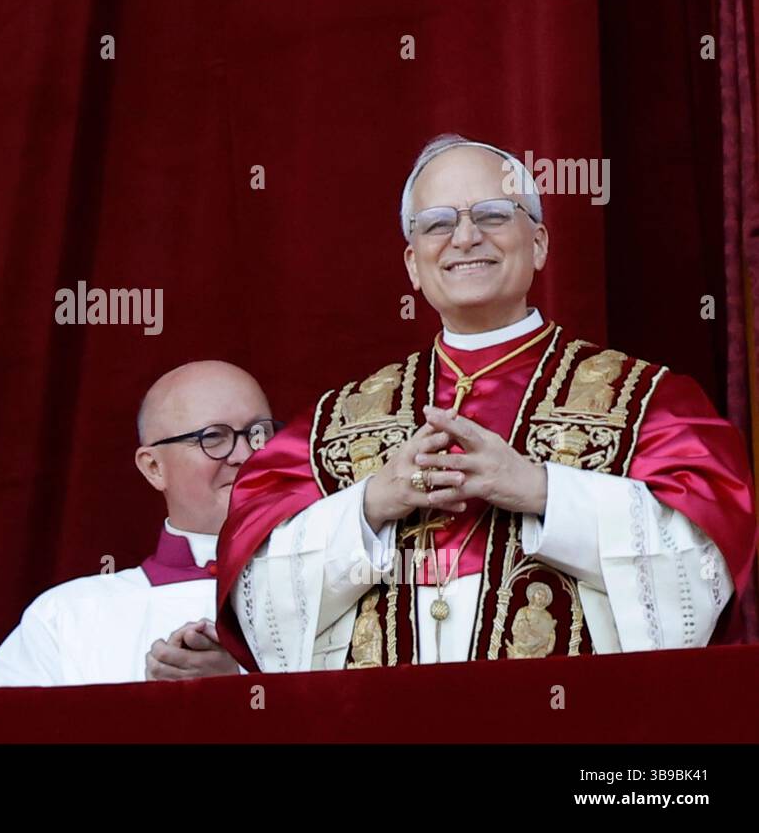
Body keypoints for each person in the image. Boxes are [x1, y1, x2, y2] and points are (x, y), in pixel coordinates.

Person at [217, 133, 758, 673]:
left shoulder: (646, 399)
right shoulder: (339, 419)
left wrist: (545, 491)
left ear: (540, 243)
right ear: (412, 263)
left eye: (495, 215)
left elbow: (704, 571)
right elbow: (255, 594)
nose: (466, 237)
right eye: (437, 224)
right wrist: (372, 504)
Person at [0, 360, 273, 686]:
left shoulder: (331, 589)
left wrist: (235, 687)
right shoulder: (65, 617)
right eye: (214, 437)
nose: (246, 454)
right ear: (153, 467)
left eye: (259, 433)